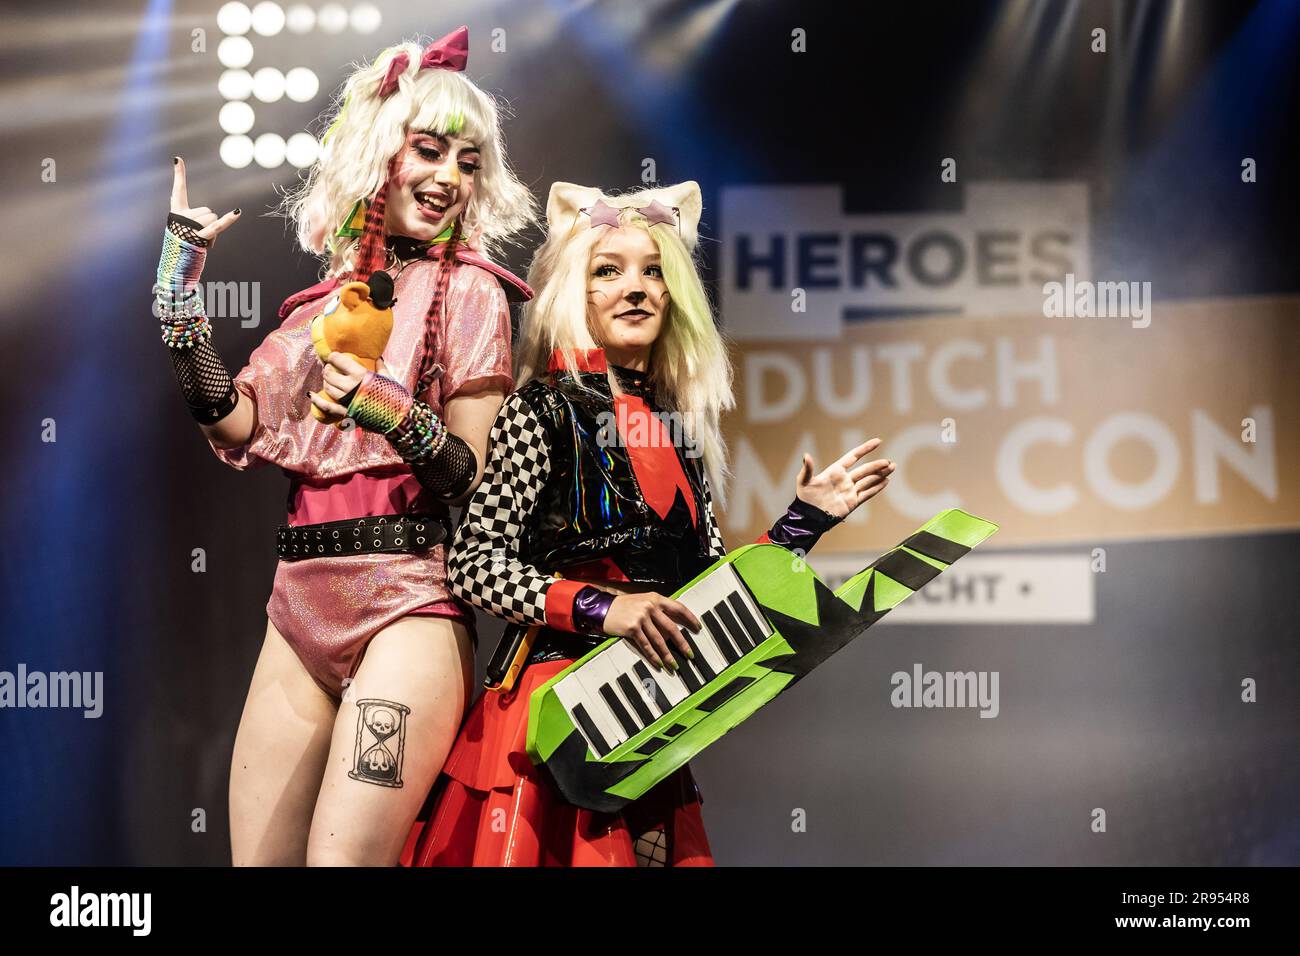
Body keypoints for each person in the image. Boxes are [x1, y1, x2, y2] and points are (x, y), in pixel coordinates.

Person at [403, 181, 895, 867]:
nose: (635, 287)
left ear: (675, 296)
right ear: (577, 291)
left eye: (654, 270)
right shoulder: (541, 410)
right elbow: (475, 565)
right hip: (555, 718)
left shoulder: (680, 428)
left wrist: (801, 524)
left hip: (650, 720)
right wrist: (606, 608)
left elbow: (710, 593)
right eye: (609, 270)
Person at [151, 26, 537, 865]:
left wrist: (385, 406)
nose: (447, 180)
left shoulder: (473, 293)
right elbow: (235, 422)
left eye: (467, 164)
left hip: (407, 598)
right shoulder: (317, 309)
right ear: (378, 155)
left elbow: (468, 472)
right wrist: (177, 294)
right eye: (429, 151)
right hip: (297, 605)